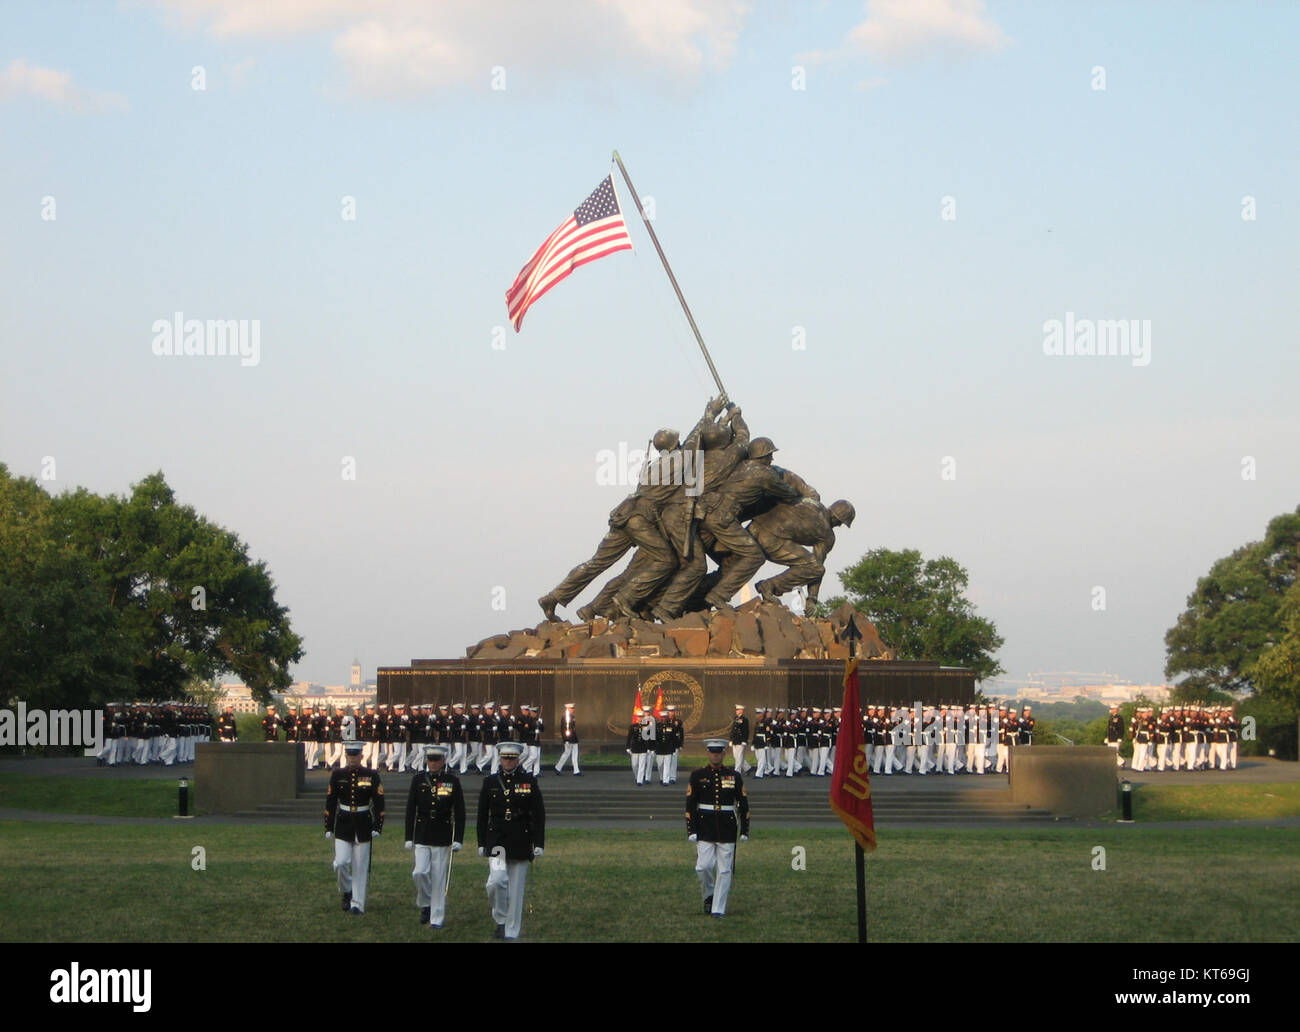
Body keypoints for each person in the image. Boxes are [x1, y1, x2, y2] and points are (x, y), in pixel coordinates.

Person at [477, 741, 545, 941]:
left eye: (512, 758)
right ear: (500, 758)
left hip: (521, 839)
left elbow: (538, 814)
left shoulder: (528, 781)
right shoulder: (490, 782)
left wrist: (539, 843)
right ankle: (500, 917)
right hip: (498, 840)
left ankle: (511, 930)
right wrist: (481, 843)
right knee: (497, 881)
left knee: (515, 890)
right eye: (505, 758)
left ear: (518, 759)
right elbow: (482, 815)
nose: (508, 761)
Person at [686, 739, 750, 918]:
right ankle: (709, 895)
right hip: (705, 826)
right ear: (708, 754)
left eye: (718, 753)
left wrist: (745, 829)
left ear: (723, 754)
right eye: (712, 752)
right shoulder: (698, 775)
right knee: (703, 867)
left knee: (724, 870)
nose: (715, 756)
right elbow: (690, 804)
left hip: (727, 826)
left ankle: (718, 908)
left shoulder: (733, 776)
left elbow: (742, 803)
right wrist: (691, 829)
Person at [404, 744, 466, 929]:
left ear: (443, 761)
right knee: (420, 872)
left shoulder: (451, 781)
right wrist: (409, 837)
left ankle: (437, 917)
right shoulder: (418, 780)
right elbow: (410, 809)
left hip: (442, 832)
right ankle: (426, 902)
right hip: (422, 832)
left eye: (436, 760)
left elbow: (460, 812)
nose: (433, 763)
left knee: (438, 878)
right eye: (430, 760)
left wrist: (458, 839)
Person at [324, 741, 385, 915]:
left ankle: (357, 904)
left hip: (363, 823)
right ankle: (347, 889)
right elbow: (330, 800)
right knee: (341, 863)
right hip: (343, 824)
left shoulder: (371, 775)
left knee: (360, 866)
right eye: (349, 755)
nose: (352, 758)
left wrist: (378, 826)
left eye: (355, 755)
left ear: (361, 756)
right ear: (345, 756)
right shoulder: (337, 775)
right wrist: (328, 826)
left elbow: (379, 802)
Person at [555, 702, 581, 775]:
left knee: (574, 754)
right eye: (571, 708)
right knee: (566, 753)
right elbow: (563, 729)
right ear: (568, 709)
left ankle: (576, 770)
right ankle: (558, 767)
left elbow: (573, 728)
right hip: (568, 738)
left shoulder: (572, 716)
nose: (573, 709)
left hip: (573, 738)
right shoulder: (565, 717)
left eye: (573, 708)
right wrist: (565, 739)